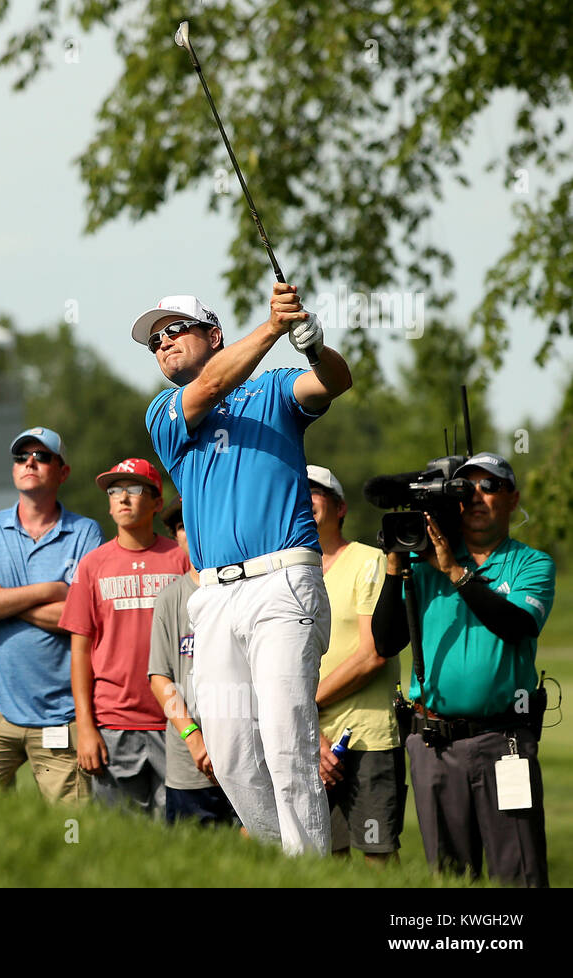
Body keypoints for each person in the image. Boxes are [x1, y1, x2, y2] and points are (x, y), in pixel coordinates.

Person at [139, 284, 352, 854]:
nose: (162, 344)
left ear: (213, 335)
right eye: (154, 341)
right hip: (213, 598)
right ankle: (294, 858)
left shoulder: (273, 387)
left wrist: (314, 346)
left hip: (283, 582)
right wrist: (274, 326)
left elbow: (334, 381)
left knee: (287, 740)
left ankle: (307, 868)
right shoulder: (165, 412)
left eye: (174, 331)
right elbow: (210, 385)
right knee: (230, 753)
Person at [372, 453, 554, 887]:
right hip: (433, 742)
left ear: (513, 499)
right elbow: (384, 642)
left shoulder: (531, 564)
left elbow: (515, 624)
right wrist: (395, 569)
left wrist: (455, 572)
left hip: (505, 740)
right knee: (450, 876)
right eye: (466, 488)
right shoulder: (421, 562)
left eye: (490, 487)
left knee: (520, 871)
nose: (477, 497)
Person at [0, 427, 103, 802]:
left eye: (42, 456)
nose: (29, 462)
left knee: (76, 833)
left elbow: (84, 621)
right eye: (21, 457)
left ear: (62, 472)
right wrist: (48, 591)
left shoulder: (86, 532)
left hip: (64, 708)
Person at [62, 458, 190, 815]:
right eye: (115, 491)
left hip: (176, 721)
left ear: (157, 502)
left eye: (134, 490)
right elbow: (80, 652)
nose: (123, 498)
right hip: (113, 723)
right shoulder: (92, 565)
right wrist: (85, 728)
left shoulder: (181, 559)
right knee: (121, 838)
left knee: (179, 832)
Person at [307, 465, 404, 863]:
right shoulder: (290, 569)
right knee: (324, 857)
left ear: (341, 507)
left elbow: (373, 654)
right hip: (310, 740)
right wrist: (308, 728)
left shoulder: (369, 561)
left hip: (366, 738)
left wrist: (305, 705)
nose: (304, 499)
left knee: (376, 855)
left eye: (315, 492)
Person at [148, 498, 239, 827]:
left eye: (203, 521)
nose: (194, 532)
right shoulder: (170, 599)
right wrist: (193, 736)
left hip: (245, 751)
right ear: (177, 537)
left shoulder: (242, 591)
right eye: (184, 527)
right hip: (190, 762)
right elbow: (160, 677)